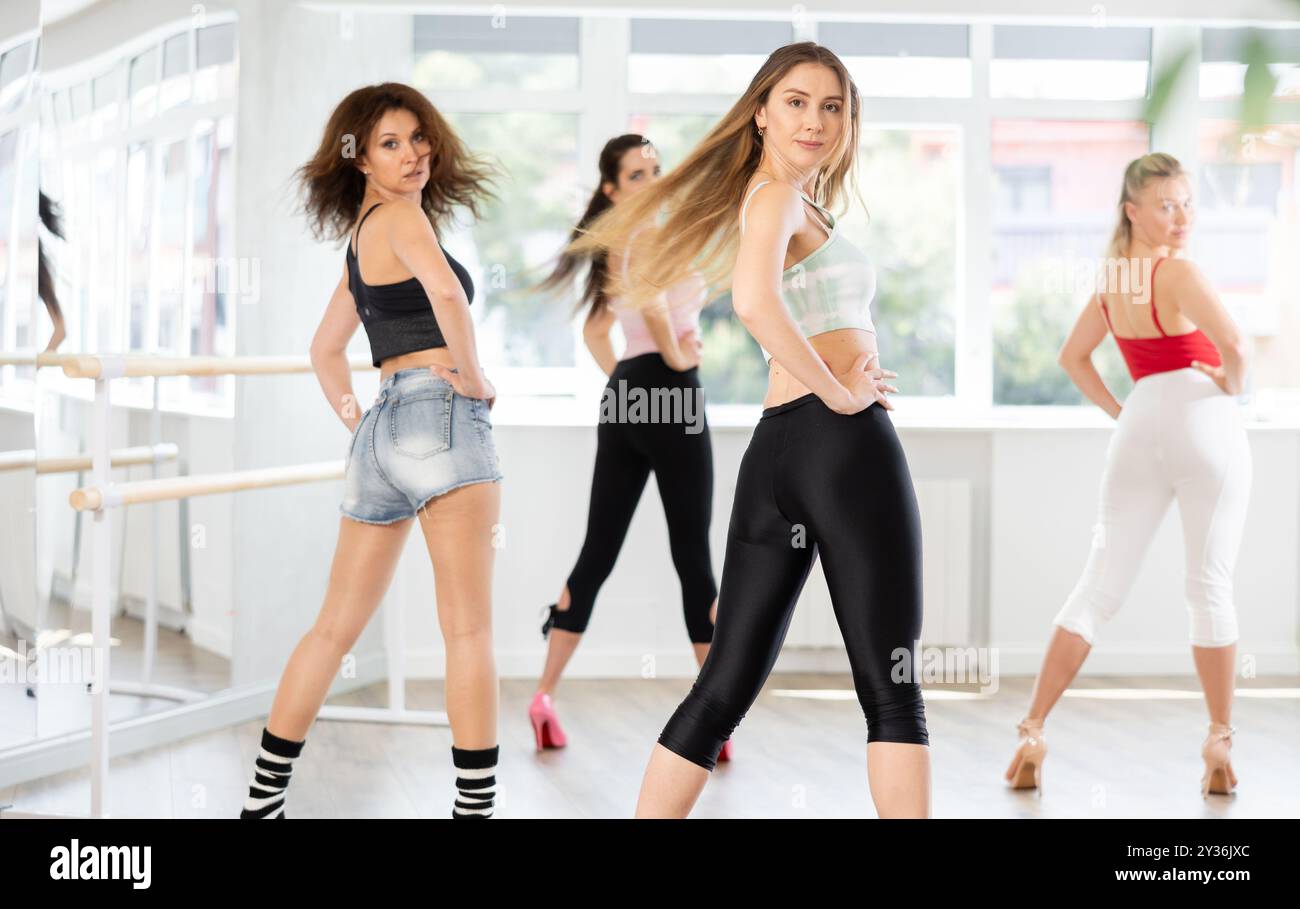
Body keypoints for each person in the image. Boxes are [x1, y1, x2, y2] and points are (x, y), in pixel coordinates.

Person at [562, 42, 931, 818]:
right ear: (762, 110)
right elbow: (755, 303)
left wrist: (829, 393)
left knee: (722, 686)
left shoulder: (793, 199)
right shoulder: (775, 198)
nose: (816, 119)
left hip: (778, 456)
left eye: (833, 105)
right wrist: (839, 394)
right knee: (893, 690)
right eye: (797, 101)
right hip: (840, 445)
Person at [238, 82, 504, 819]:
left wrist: (365, 421)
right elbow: (448, 296)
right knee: (469, 628)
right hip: (443, 417)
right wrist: (475, 381)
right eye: (391, 143)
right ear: (359, 159)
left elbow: (325, 351)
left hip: (383, 431)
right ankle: (474, 811)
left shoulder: (360, 241)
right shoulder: (403, 217)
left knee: (331, 629)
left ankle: (262, 801)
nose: (414, 153)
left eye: (419, 138)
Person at [1005, 152, 1251, 799]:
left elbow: (1071, 355)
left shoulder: (1115, 278)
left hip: (1140, 422)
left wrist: (1123, 410)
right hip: (1205, 419)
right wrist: (1230, 386)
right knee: (1209, 583)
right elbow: (1238, 346)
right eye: (1166, 205)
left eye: (1187, 203)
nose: (1180, 217)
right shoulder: (1179, 272)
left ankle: (1032, 728)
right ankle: (1219, 738)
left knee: (1098, 585)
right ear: (1133, 211)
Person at [526, 134, 724, 756]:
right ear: (611, 187)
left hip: (626, 397)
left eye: (656, 169)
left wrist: (627, 381)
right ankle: (715, 719)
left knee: (597, 551)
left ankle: (544, 697)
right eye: (637, 174)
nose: (653, 180)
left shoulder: (615, 242)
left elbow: (594, 331)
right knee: (693, 556)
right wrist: (676, 354)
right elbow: (661, 312)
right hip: (672, 393)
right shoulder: (649, 238)